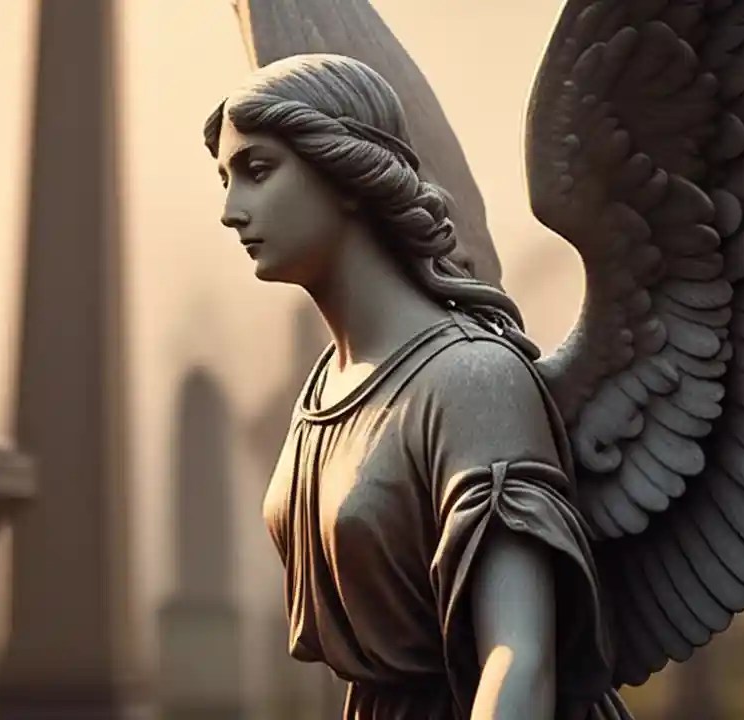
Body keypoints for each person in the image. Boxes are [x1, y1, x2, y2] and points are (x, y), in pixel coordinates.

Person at [204, 53, 631, 720]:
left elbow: (518, 658)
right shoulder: (327, 386)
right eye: (226, 179)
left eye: (258, 171)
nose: (232, 211)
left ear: (345, 170)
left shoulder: (470, 381)